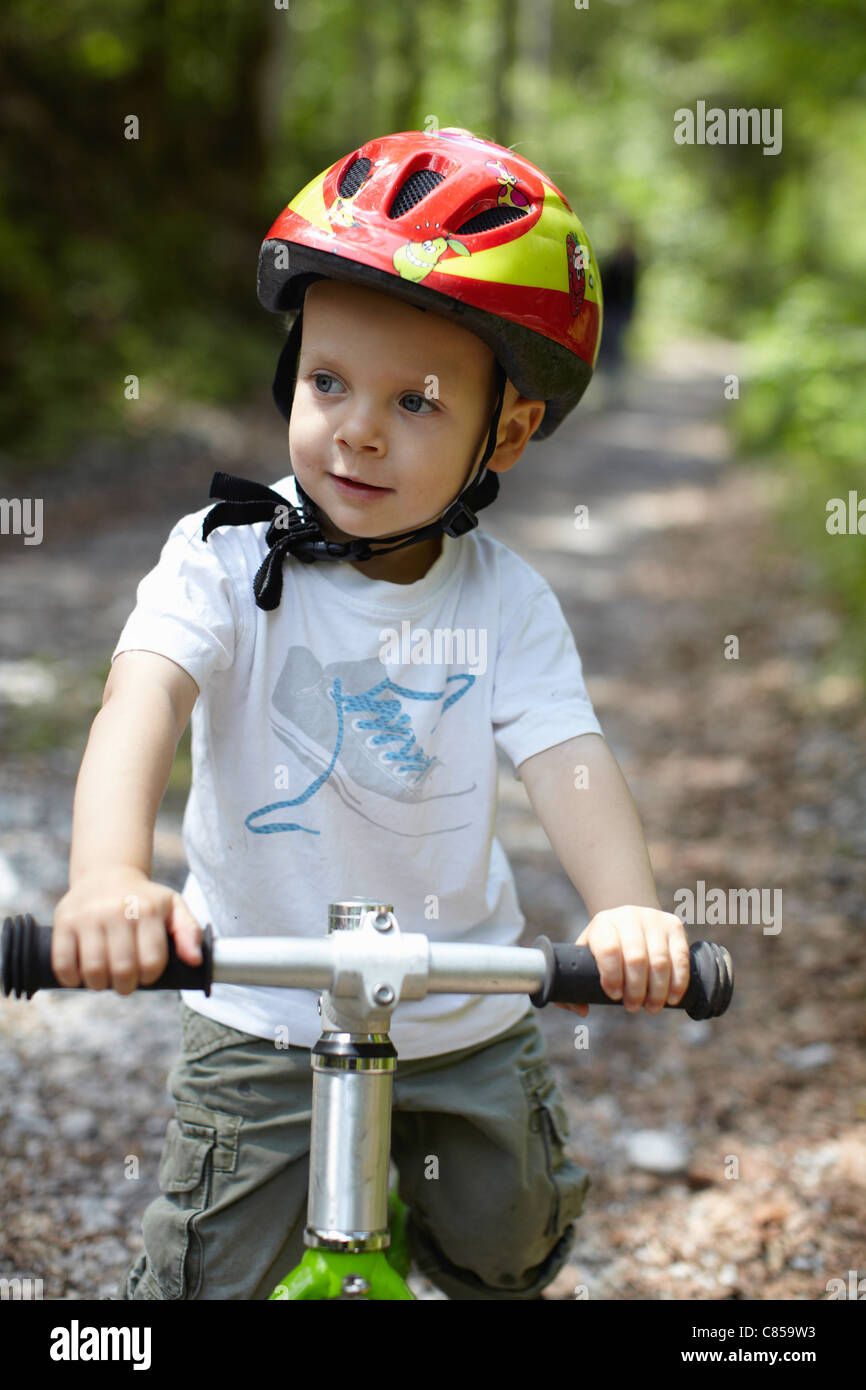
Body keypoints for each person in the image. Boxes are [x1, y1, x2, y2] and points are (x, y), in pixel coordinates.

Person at [51, 127, 691, 1301]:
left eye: (416, 401)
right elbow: (138, 700)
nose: (355, 427)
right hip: (261, 1012)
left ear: (502, 434)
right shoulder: (221, 552)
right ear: (289, 372)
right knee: (204, 1280)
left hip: (460, 1012)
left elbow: (569, 758)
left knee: (506, 1243)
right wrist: (105, 876)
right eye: (329, 382)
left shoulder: (505, 600)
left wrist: (626, 913)